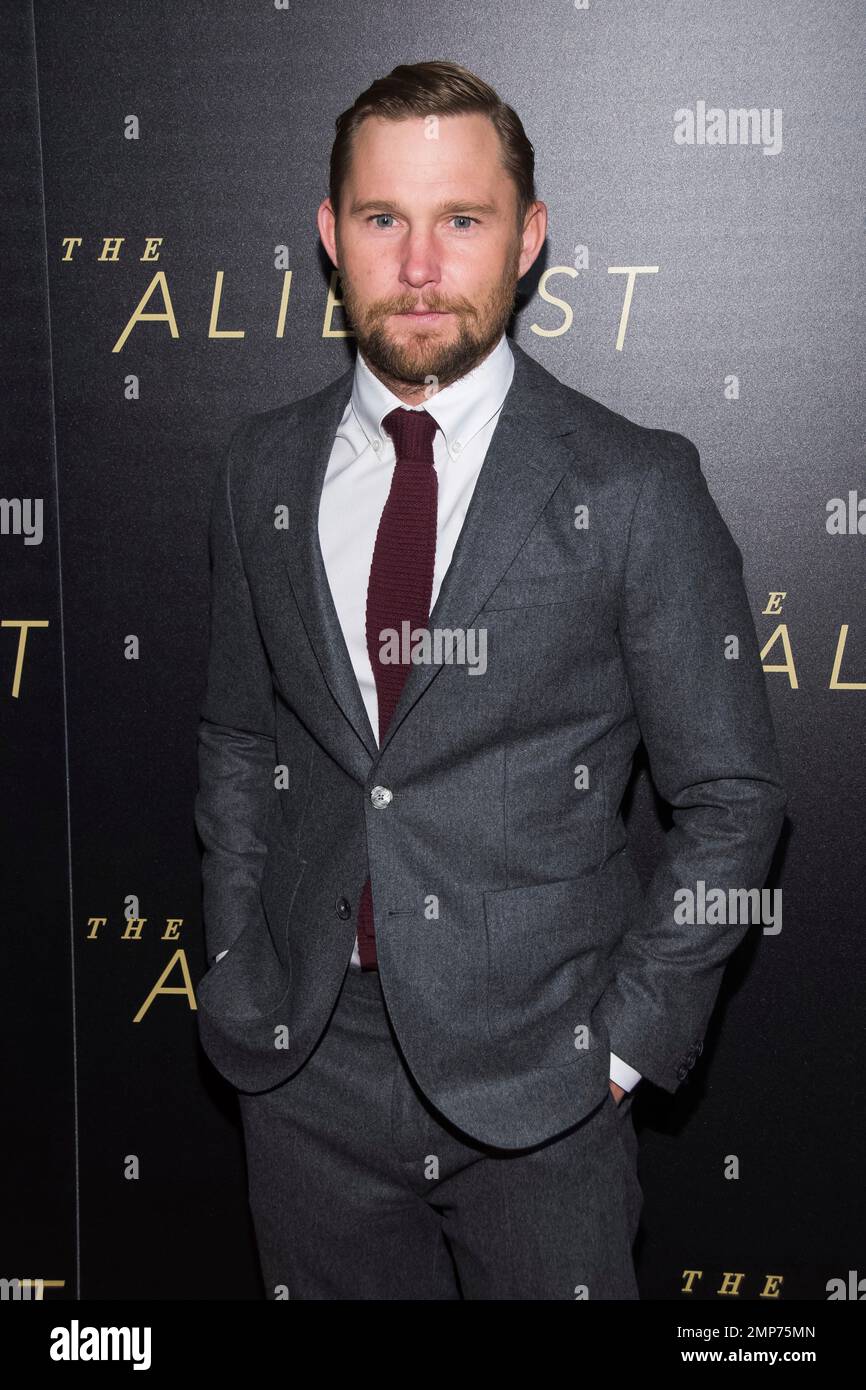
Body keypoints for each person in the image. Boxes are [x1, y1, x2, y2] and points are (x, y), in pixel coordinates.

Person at [193, 59, 787, 1300]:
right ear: (328, 238)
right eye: (381, 220)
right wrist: (240, 960)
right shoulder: (262, 470)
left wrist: (621, 1049)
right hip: (304, 1071)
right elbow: (241, 744)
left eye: (459, 220)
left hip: (545, 1086)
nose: (418, 265)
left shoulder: (633, 486)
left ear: (526, 240)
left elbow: (732, 802)